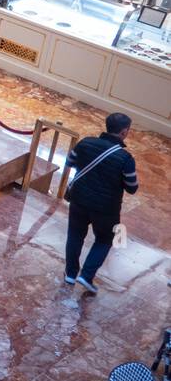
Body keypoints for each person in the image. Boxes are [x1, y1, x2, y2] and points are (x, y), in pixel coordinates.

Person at [63, 111, 138, 293]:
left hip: (79, 200)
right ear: (124, 132)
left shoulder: (86, 143)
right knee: (104, 240)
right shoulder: (125, 158)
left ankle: (70, 274)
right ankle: (86, 276)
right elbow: (132, 187)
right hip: (106, 210)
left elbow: (70, 161)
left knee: (75, 234)